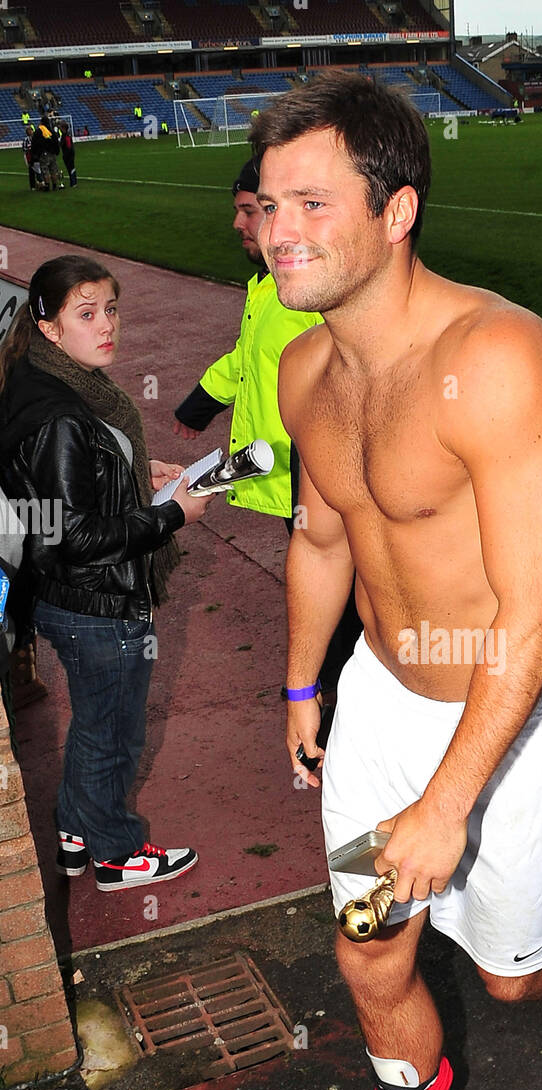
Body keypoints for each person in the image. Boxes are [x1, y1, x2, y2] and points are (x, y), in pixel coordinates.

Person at [253, 74, 542, 1090]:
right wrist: (305, 683)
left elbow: (537, 608)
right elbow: (322, 533)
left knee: (515, 980)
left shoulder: (501, 352)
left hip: (505, 722)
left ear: (396, 209)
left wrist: (449, 799)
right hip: (382, 716)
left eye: (310, 203)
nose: (277, 233)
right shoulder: (307, 370)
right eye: (265, 205)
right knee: (370, 951)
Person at [0, 255, 212, 891]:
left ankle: (75, 834)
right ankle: (116, 855)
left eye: (111, 309)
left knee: (95, 725)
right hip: (95, 603)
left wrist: (129, 475)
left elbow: (59, 490)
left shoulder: (38, 381)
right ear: (49, 325)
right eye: (86, 313)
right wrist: (171, 515)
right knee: (111, 734)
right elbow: (79, 537)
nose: (106, 325)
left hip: (58, 596)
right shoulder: (63, 410)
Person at [173, 157, 359, 693]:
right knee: (324, 584)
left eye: (250, 211)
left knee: (341, 593)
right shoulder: (267, 286)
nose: (239, 223)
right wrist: (201, 400)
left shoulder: (305, 291)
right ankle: (325, 682)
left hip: (312, 476)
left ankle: (333, 696)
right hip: (281, 472)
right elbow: (248, 357)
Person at [29, 119, 62, 193]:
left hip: (43, 154)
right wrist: (57, 151)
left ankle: (47, 186)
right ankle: (54, 185)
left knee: (45, 170)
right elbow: (56, 141)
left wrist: (34, 154)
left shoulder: (38, 131)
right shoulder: (51, 131)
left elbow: (34, 143)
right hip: (52, 153)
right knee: (53, 170)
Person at [56, 122, 77, 187]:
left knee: (71, 168)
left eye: (61, 128)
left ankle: (74, 183)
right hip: (68, 153)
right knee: (70, 168)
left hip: (68, 154)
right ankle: (72, 182)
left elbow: (68, 145)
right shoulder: (65, 135)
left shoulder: (66, 135)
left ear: (64, 128)